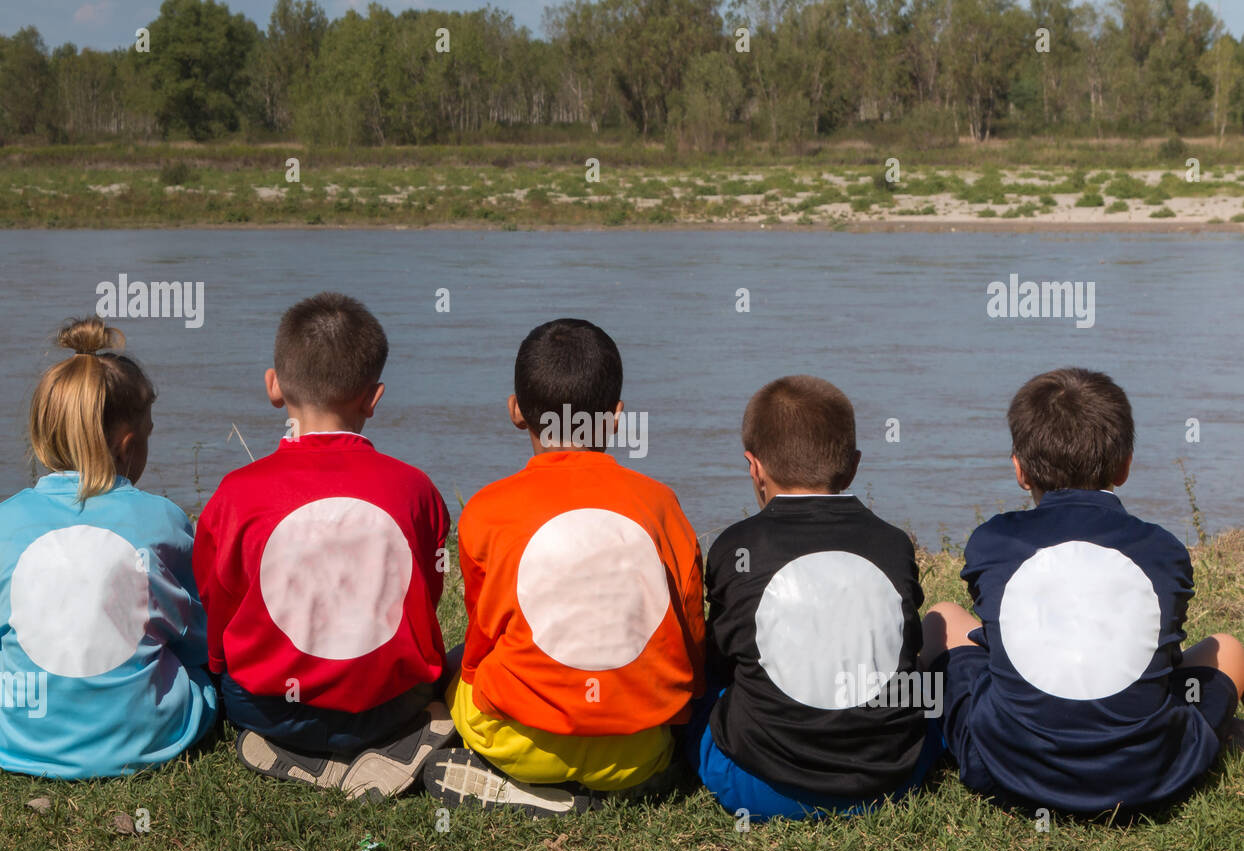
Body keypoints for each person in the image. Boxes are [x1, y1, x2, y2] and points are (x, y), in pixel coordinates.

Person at [924, 367, 1244, 815]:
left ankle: (920, 734)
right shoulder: (1163, 549)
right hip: (1146, 776)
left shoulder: (991, 542)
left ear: (1019, 469)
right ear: (1125, 465)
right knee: (1227, 647)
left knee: (943, 615)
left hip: (1004, 770)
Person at [422, 318, 705, 817]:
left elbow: (482, 644)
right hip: (637, 752)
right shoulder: (661, 504)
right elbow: (692, 633)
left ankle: (516, 782)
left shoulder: (487, 509)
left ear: (515, 411)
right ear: (616, 417)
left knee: (457, 663)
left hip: (517, 746)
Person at [194, 292, 454, 802]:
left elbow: (217, 612)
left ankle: (292, 752)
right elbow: (427, 596)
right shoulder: (416, 489)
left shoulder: (236, 493)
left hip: (268, 710)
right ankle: (408, 740)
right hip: (392, 708)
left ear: (274, 386)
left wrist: (220, 671)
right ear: (373, 399)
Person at [0, 318, 217, 778]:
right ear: (129, 445)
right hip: (149, 734)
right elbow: (194, 639)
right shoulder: (165, 521)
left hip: (17, 736)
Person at [688, 375, 939, 822]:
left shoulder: (736, 547)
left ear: (754, 466)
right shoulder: (892, 544)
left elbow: (724, 658)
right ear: (854, 465)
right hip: (889, 780)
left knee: (698, 679)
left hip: (758, 788)